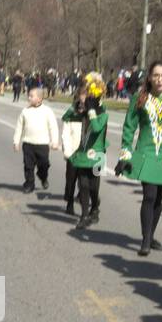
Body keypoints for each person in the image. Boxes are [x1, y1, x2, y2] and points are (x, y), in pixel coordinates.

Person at [114, 61, 162, 256]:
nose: (160, 79)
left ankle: (150, 235)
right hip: (146, 153)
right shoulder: (140, 97)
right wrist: (125, 153)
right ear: (150, 77)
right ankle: (146, 240)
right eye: (156, 75)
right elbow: (129, 127)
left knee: (158, 198)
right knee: (149, 196)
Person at [62, 72, 108, 229]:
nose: (84, 98)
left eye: (87, 95)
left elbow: (95, 128)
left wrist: (91, 110)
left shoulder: (102, 112)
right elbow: (66, 117)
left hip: (98, 155)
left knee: (94, 186)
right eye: (83, 95)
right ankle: (84, 215)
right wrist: (76, 107)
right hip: (82, 153)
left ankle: (95, 208)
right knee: (83, 184)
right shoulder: (83, 111)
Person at [13, 85, 60, 194]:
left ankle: (43, 177)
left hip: (42, 144)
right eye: (28, 96)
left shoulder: (47, 111)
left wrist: (55, 141)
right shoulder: (25, 111)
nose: (29, 98)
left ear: (39, 98)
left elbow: (53, 127)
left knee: (44, 164)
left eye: (31, 96)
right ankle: (29, 183)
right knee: (28, 165)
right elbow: (19, 127)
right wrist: (16, 141)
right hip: (28, 143)